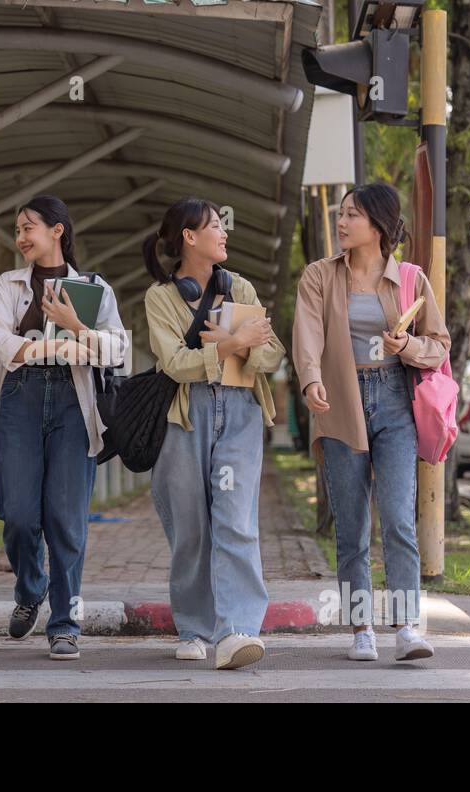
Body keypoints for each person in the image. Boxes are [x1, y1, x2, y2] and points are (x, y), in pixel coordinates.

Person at [291, 182, 451, 662]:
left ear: (378, 224)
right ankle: (361, 629)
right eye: (340, 214)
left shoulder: (410, 279)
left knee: (400, 519)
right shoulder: (319, 276)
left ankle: (406, 627)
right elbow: (308, 333)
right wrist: (311, 380)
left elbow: (439, 343)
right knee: (353, 525)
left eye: (352, 215)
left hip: (396, 401)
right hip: (339, 400)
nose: (342, 223)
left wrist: (409, 348)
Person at [142, 197, 286, 670]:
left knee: (236, 519)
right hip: (187, 414)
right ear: (189, 236)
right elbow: (176, 365)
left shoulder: (238, 285)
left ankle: (237, 629)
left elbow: (271, 353)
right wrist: (232, 344)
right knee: (191, 527)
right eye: (215, 227)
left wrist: (238, 347)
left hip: (240, 408)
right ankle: (192, 626)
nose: (224, 234)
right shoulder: (160, 298)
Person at [0, 194, 128, 661]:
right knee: (19, 515)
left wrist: (74, 327)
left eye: (29, 227)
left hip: (72, 402)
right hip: (19, 400)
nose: (21, 237)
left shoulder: (94, 288)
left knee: (66, 521)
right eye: (18, 229)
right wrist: (58, 349)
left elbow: (118, 349)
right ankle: (31, 589)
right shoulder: (9, 284)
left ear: (57, 231)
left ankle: (64, 623)